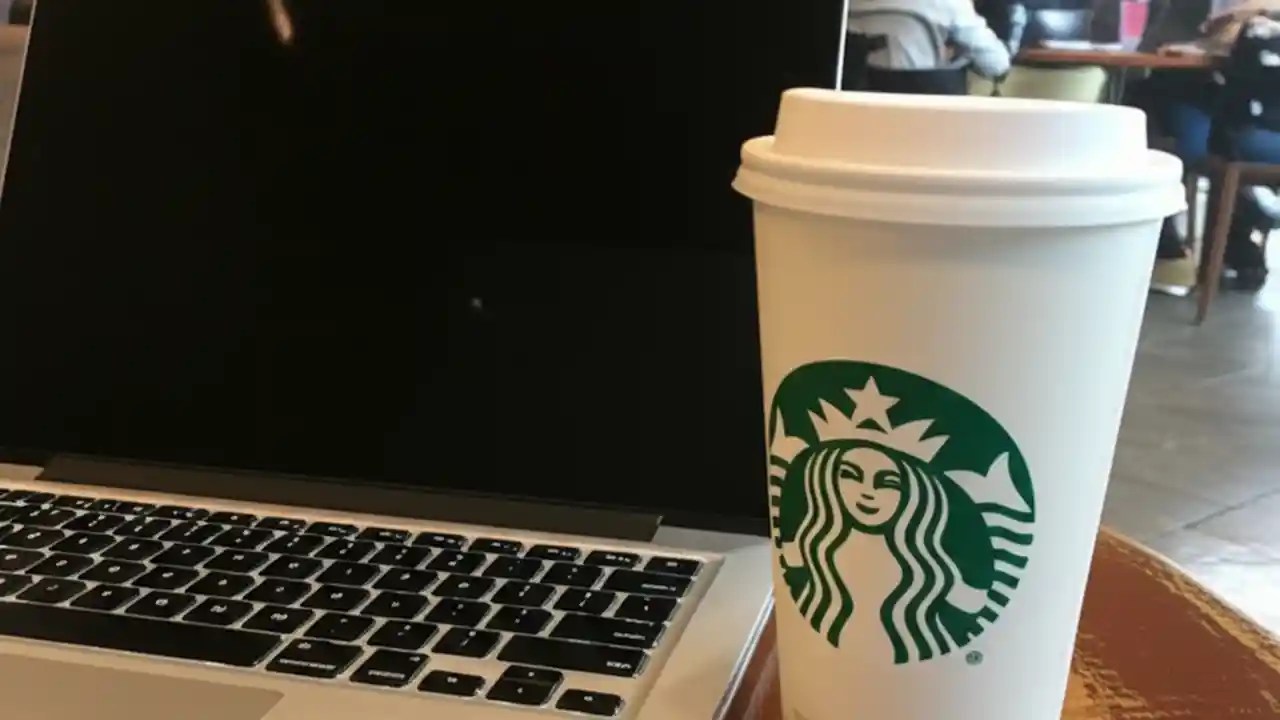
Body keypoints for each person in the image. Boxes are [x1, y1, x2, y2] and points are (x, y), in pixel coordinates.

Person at [1143, 1, 1280, 289]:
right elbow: (1155, 44)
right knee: (1193, 149)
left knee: (1216, 146)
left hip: (1248, 108)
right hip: (1189, 87)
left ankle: (1236, 224)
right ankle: (1237, 220)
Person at [847, 0, 1013, 79]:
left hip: (848, 113)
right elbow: (997, 64)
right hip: (930, 116)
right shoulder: (950, 4)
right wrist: (960, 53)